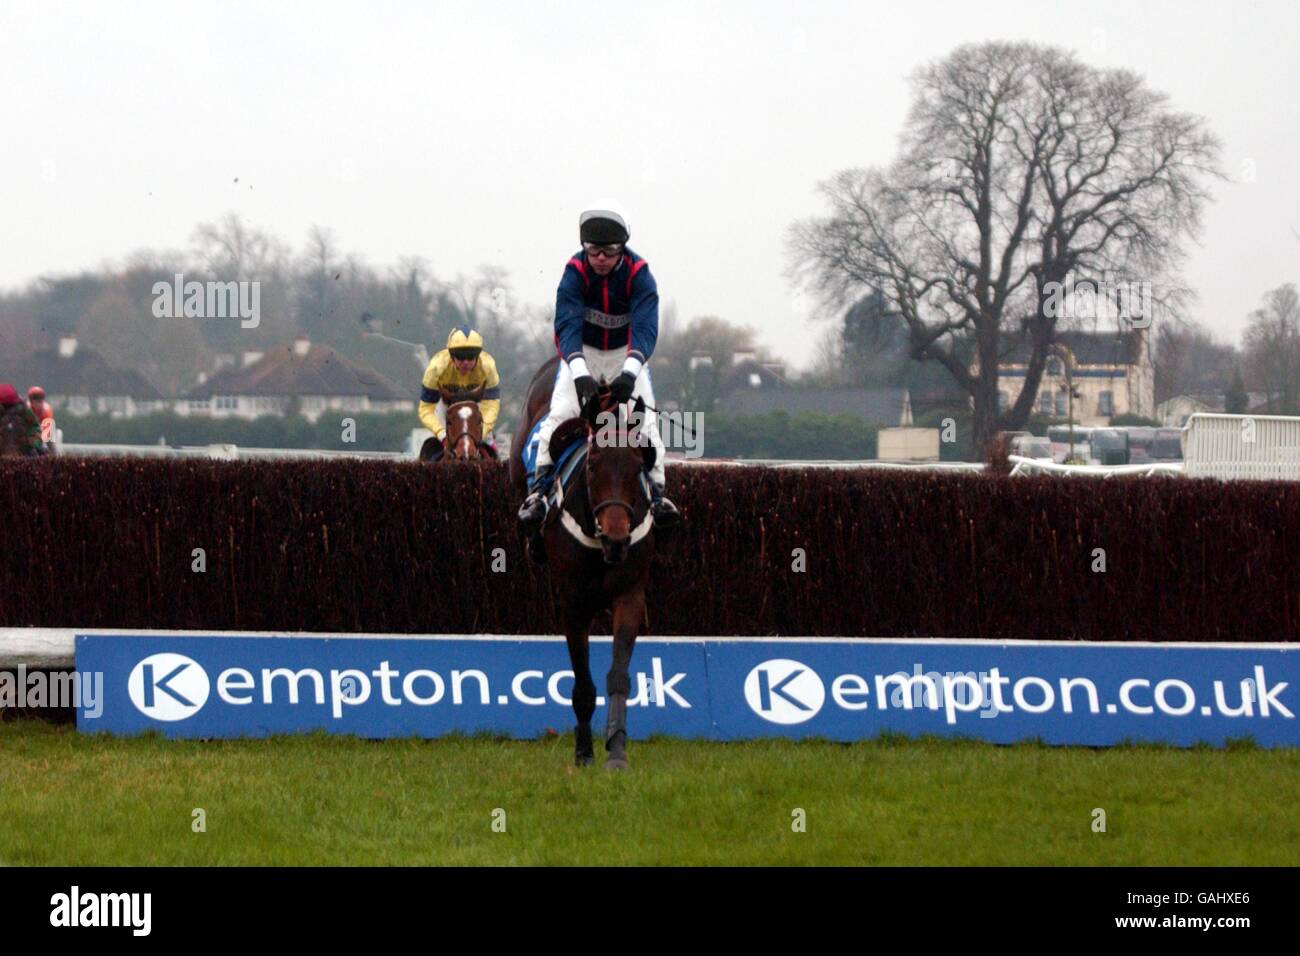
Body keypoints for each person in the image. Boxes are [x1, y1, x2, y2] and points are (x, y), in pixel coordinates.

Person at [517, 201, 679, 533]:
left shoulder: (640, 275)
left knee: (646, 425)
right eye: (593, 251)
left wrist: (629, 372)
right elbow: (566, 326)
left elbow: (647, 329)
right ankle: (538, 493)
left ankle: (659, 495)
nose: (600, 258)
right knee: (559, 417)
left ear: (622, 249)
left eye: (608, 251)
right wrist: (579, 373)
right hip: (583, 353)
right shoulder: (575, 272)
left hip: (625, 353)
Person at [418, 327, 501, 458]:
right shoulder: (436, 368)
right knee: (434, 442)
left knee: (488, 442)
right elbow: (426, 409)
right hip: (445, 404)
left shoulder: (488, 367)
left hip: (476, 403)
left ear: (478, 356)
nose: (466, 362)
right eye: (460, 357)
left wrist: (481, 431)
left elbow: (491, 406)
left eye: (470, 357)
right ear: (451, 356)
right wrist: (441, 434)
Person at [0, 383, 46, 457]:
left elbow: (35, 427)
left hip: (23, 445)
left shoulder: (25, 410)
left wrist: (32, 442)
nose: (37, 402)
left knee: (42, 450)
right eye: (34, 398)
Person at [27, 386, 56, 454]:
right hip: (30, 430)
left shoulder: (47, 410)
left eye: (40, 400)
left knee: (50, 445)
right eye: (34, 400)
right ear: (30, 401)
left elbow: (47, 435)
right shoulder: (27, 408)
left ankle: (55, 457)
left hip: (43, 429)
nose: (38, 403)